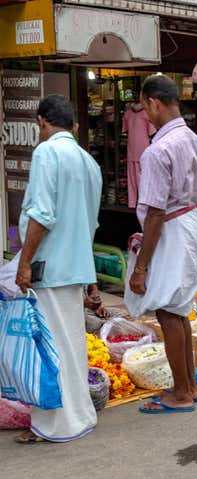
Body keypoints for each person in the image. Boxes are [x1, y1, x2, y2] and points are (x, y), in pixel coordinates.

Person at [14, 95, 102, 443]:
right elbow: (89, 224)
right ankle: (79, 415)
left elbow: (43, 214)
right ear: (75, 126)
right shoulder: (87, 161)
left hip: (49, 266)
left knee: (48, 346)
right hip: (75, 266)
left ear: (42, 122)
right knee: (71, 345)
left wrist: (24, 262)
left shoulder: (46, 152)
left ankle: (54, 424)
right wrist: (92, 280)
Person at [126, 75, 197, 413]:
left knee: (167, 310)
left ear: (152, 103)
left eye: (144, 106)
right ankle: (188, 385)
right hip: (188, 222)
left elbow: (155, 213)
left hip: (172, 226)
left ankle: (181, 391)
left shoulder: (158, 149)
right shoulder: (192, 139)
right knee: (178, 308)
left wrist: (141, 267)